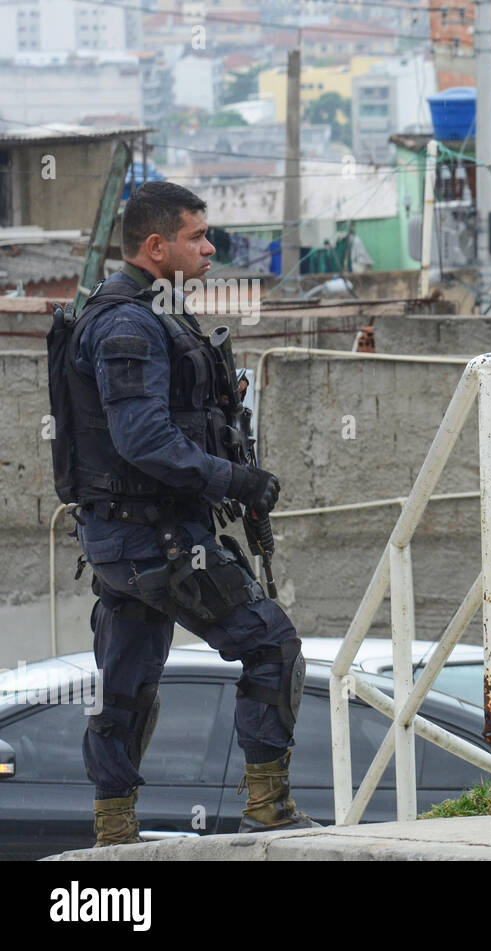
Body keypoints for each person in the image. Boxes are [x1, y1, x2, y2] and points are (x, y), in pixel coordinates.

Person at [52, 181, 317, 845]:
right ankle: (269, 808)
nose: (209, 247)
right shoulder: (126, 323)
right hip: (151, 537)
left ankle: (114, 829)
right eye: (197, 236)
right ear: (155, 245)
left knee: (128, 682)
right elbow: (142, 439)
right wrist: (237, 478)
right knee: (271, 646)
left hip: (135, 536)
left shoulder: (156, 312)